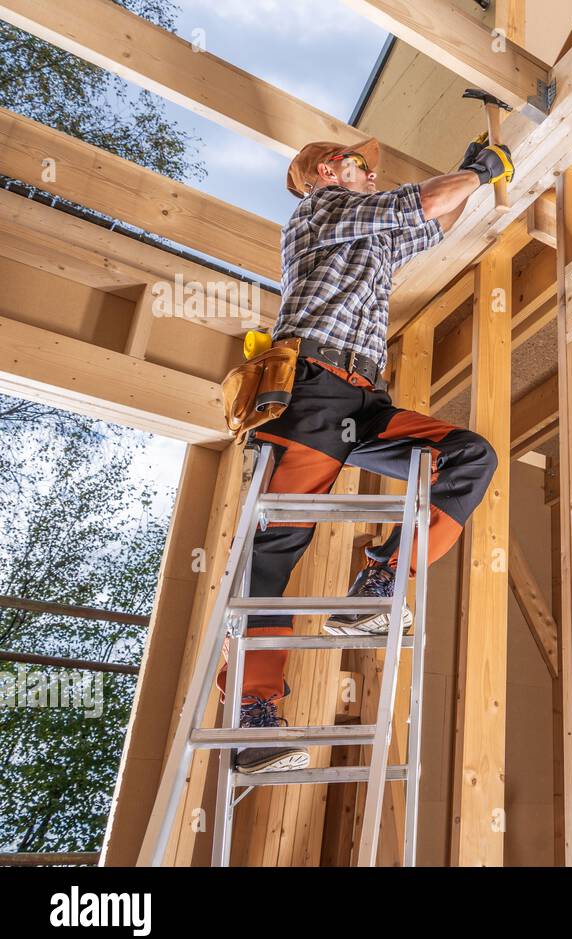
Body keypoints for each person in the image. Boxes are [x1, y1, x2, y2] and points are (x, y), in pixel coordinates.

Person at [220, 135, 512, 773]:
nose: (372, 172)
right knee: (269, 561)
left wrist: (469, 176)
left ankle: (378, 583)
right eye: (362, 165)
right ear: (328, 171)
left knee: (468, 456)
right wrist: (476, 171)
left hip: (363, 402)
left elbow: (434, 219)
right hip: (310, 393)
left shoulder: (369, 233)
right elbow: (428, 198)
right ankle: (251, 722)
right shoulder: (321, 211)